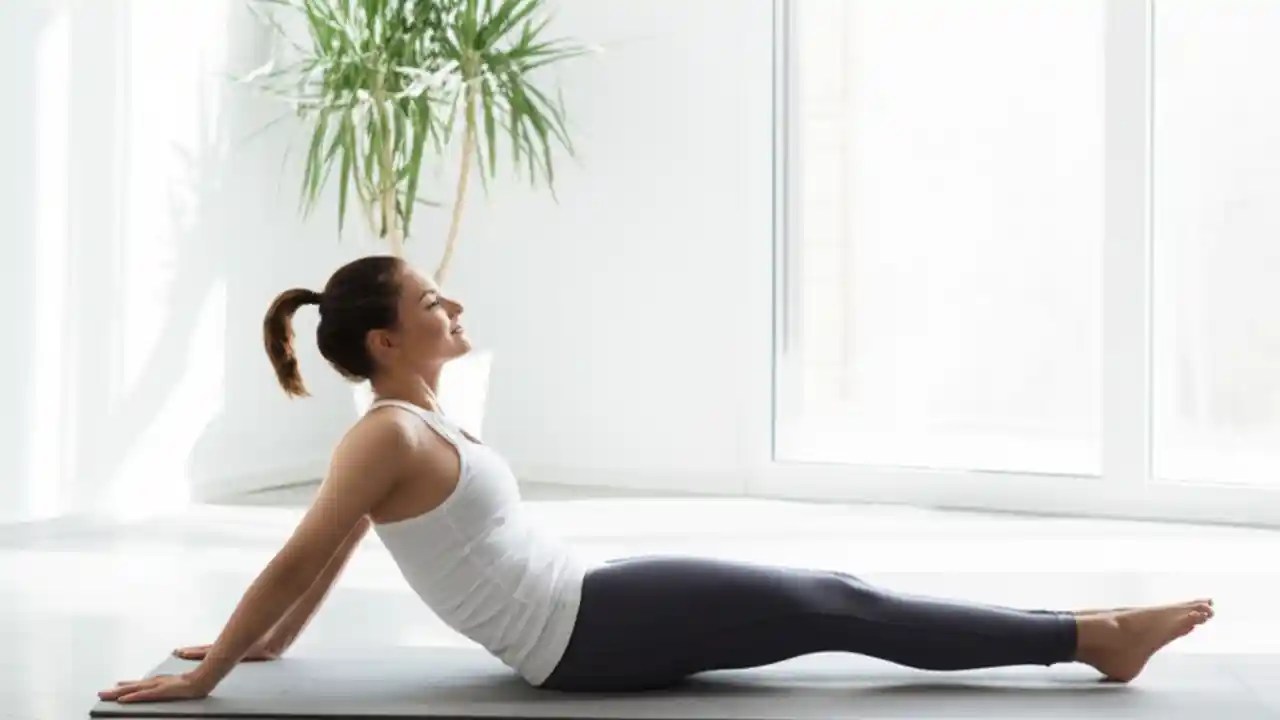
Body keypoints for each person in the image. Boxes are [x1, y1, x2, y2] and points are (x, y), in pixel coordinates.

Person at [98, 255, 1213, 705]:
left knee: (829, 597)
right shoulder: (385, 435)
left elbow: (343, 546)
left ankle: (1088, 625)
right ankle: (1086, 636)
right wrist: (209, 680)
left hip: (589, 607)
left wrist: (270, 647)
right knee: (834, 604)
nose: (454, 309)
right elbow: (304, 547)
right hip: (576, 638)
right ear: (386, 340)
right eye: (433, 302)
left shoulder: (407, 420)